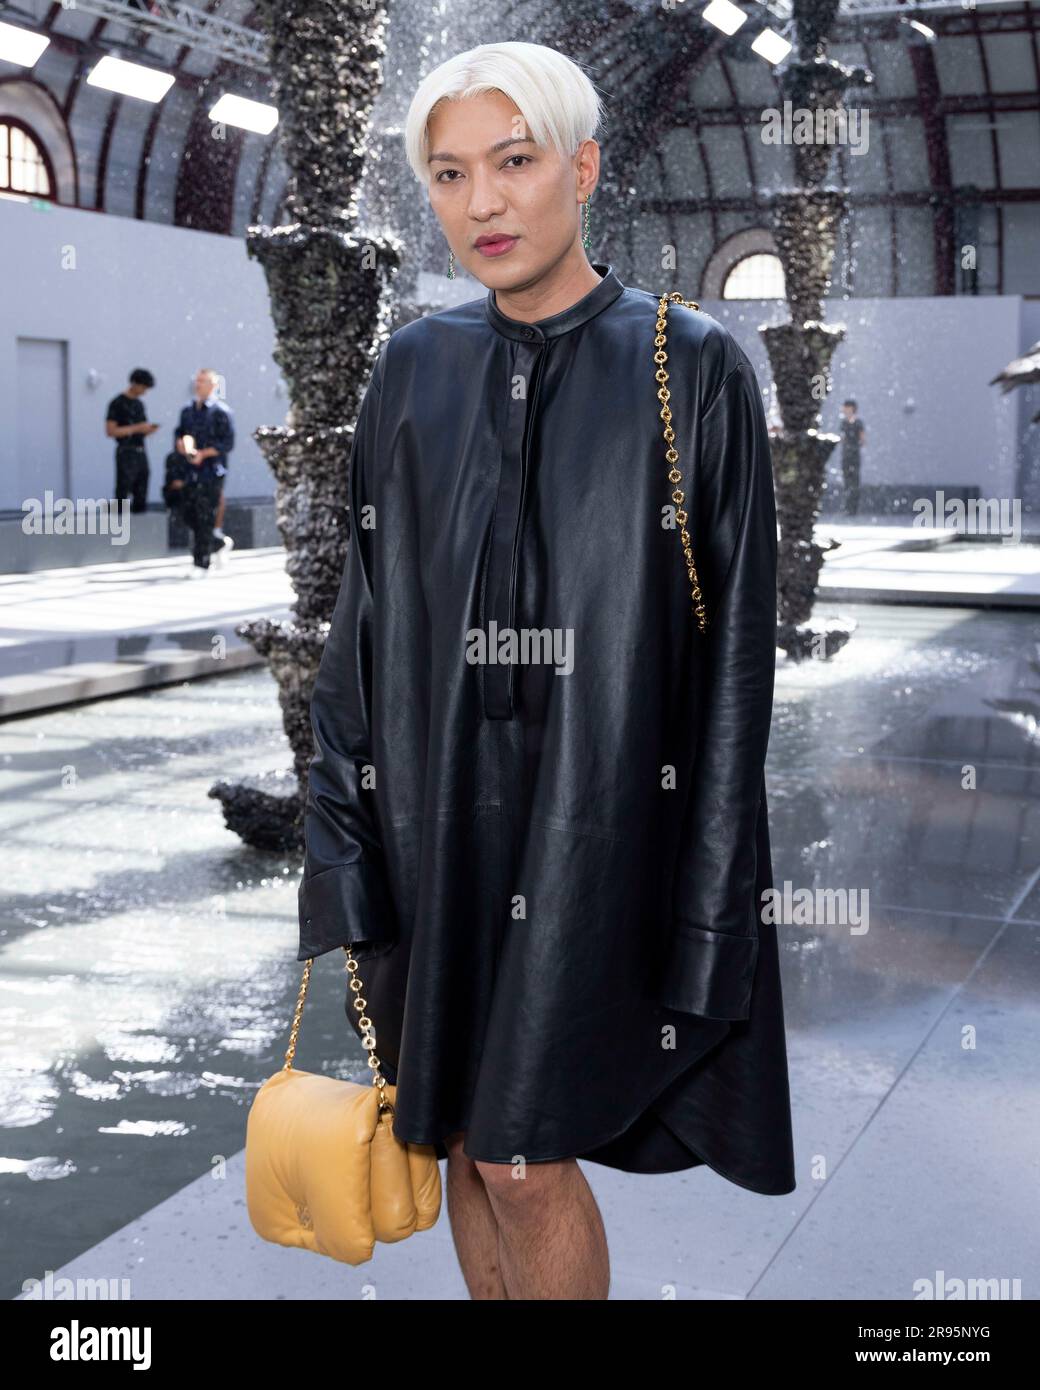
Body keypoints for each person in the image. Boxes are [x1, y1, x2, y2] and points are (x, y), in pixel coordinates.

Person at [297, 41, 795, 1301]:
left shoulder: (695, 369)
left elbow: (734, 669)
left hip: (601, 830)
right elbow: (356, 635)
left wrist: (713, 908)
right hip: (432, 830)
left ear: (578, 169)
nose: (482, 204)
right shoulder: (409, 371)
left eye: (512, 163)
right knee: (458, 1139)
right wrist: (341, 853)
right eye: (450, 174)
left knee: (523, 1158)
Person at [173, 368, 236, 575]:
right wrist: (184, 446)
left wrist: (204, 453)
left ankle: (201, 563)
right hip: (190, 471)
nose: (198, 384)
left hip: (212, 472)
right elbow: (181, 434)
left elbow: (227, 443)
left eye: (203, 381)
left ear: (213, 385)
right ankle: (216, 543)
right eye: (197, 381)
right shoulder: (187, 410)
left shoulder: (221, 411)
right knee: (188, 512)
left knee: (205, 515)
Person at [106, 368, 159, 513]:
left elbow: (141, 428)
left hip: (140, 449)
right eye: (143, 387)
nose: (144, 391)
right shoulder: (117, 403)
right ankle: (118, 520)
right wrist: (136, 428)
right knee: (123, 487)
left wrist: (147, 430)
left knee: (142, 485)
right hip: (125, 450)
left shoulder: (139, 404)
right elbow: (111, 431)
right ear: (135, 384)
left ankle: (139, 517)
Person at [840, 398, 866, 516]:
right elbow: (843, 438)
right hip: (846, 455)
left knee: (854, 482)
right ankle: (847, 507)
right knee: (847, 481)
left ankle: (854, 508)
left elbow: (862, 439)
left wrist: (854, 445)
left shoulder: (858, 423)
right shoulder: (843, 423)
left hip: (854, 456)